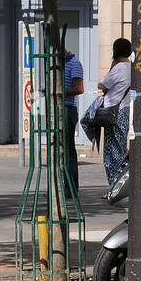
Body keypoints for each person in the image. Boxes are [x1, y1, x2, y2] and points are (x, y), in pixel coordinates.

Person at [97, 38, 133, 188]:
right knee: (121, 146)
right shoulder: (133, 67)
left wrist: (113, 64)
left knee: (112, 150)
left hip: (113, 111)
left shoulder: (119, 68)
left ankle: (115, 185)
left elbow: (102, 84)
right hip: (125, 110)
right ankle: (119, 185)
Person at [63, 46, 84, 192]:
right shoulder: (61, 64)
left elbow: (79, 89)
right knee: (62, 150)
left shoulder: (74, 64)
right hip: (61, 109)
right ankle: (62, 186)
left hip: (68, 110)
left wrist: (58, 91)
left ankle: (70, 188)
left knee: (68, 150)